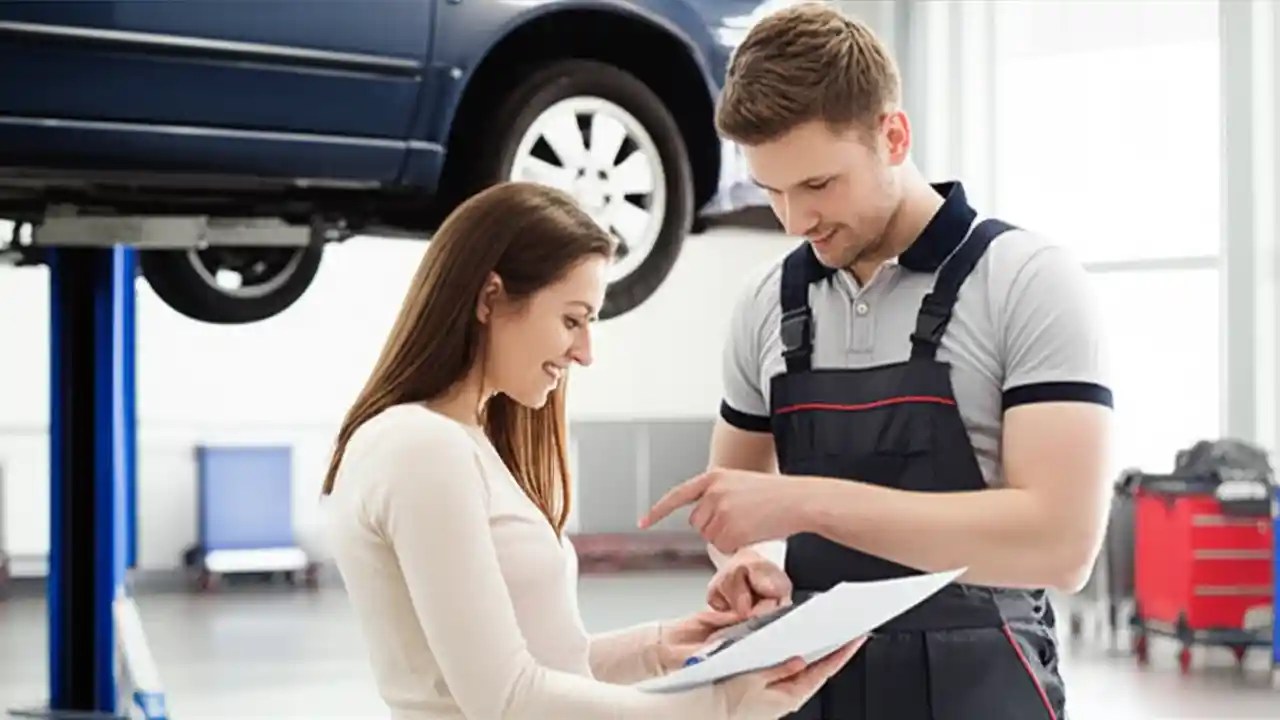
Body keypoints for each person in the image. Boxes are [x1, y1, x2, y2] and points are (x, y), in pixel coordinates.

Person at [638, 4, 1113, 720]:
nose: (795, 222)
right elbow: (738, 512)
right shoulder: (766, 303)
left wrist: (806, 504)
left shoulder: (1029, 281)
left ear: (894, 135)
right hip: (804, 687)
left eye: (820, 185)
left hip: (983, 689)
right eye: (773, 192)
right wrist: (748, 563)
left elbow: (1060, 544)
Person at [320, 180, 861, 720]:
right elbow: (507, 699)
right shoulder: (422, 448)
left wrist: (658, 648)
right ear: (490, 298)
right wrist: (719, 707)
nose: (584, 353)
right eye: (572, 320)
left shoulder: (453, 443)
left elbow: (538, 667)